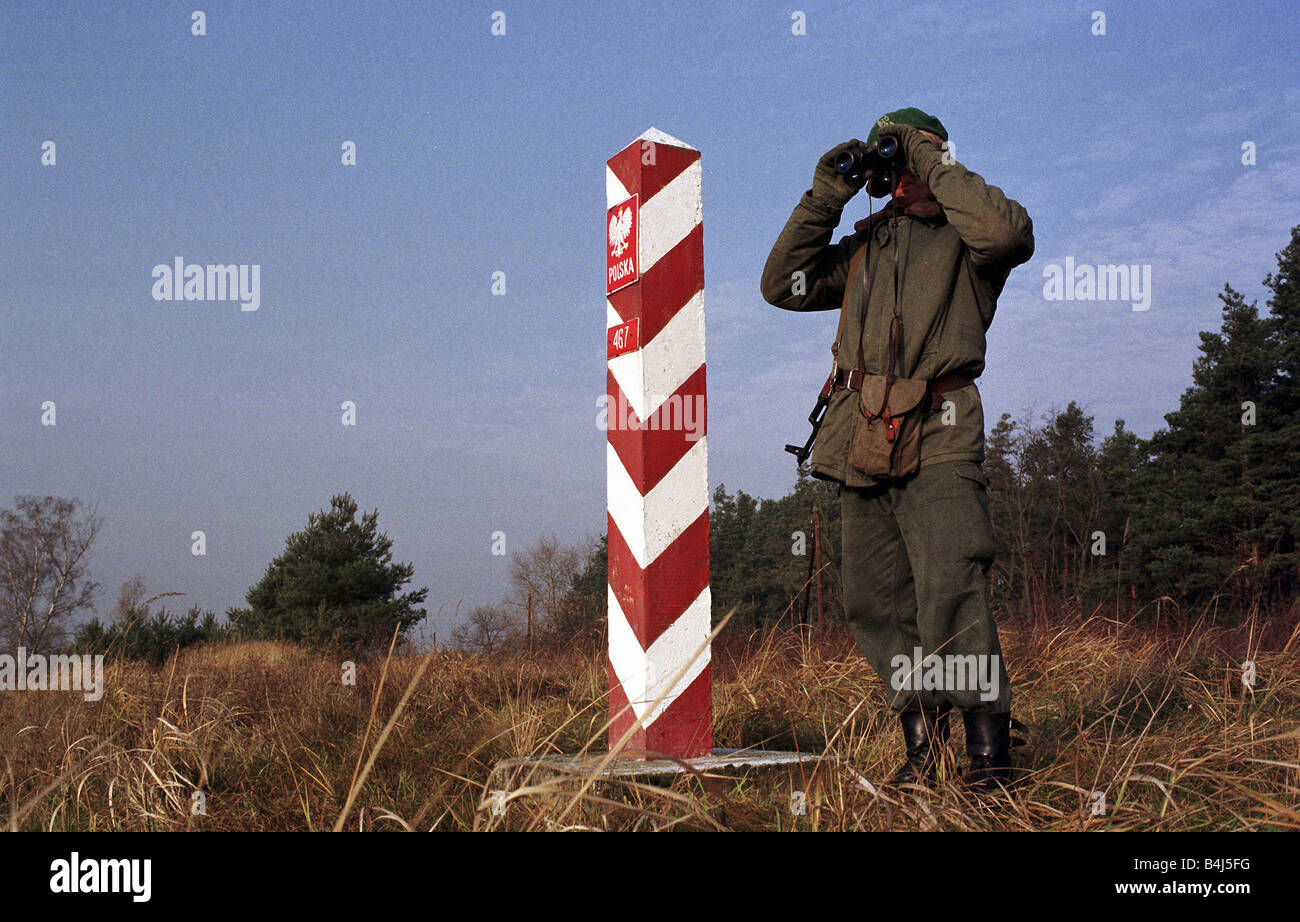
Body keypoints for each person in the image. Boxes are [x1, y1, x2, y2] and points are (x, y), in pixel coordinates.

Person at [760, 108, 1034, 792]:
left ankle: (988, 756)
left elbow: (1005, 231)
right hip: (859, 434)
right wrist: (829, 192)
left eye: (903, 155)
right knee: (875, 604)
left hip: (940, 427)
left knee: (950, 589)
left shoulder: (971, 240)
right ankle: (924, 746)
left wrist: (927, 156)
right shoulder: (866, 248)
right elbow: (781, 285)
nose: (894, 171)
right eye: (889, 159)